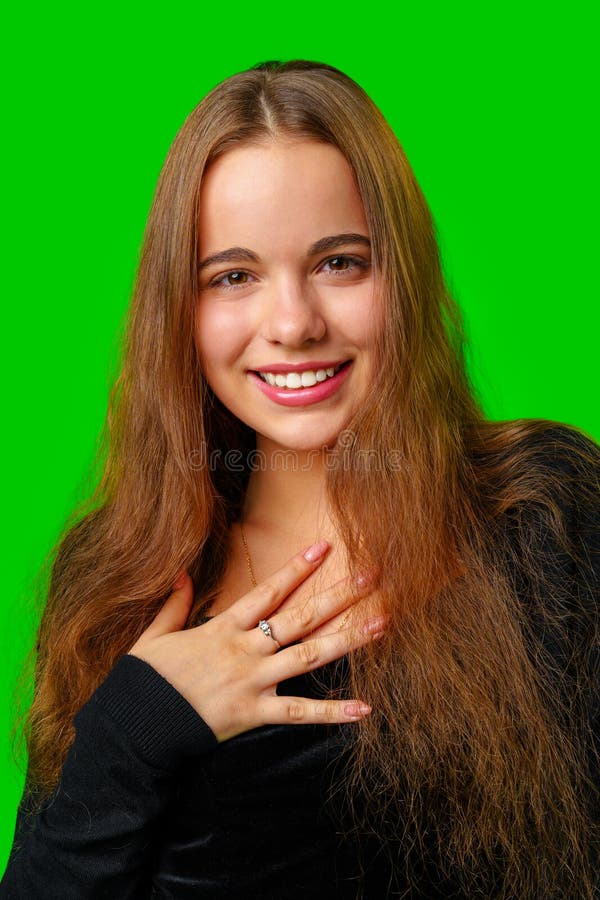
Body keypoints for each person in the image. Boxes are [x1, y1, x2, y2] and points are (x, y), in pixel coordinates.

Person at [1, 59, 598, 899]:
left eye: (340, 263)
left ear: (403, 273)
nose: (293, 323)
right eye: (233, 276)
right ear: (180, 305)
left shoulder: (543, 507)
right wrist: (133, 731)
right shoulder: (111, 577)